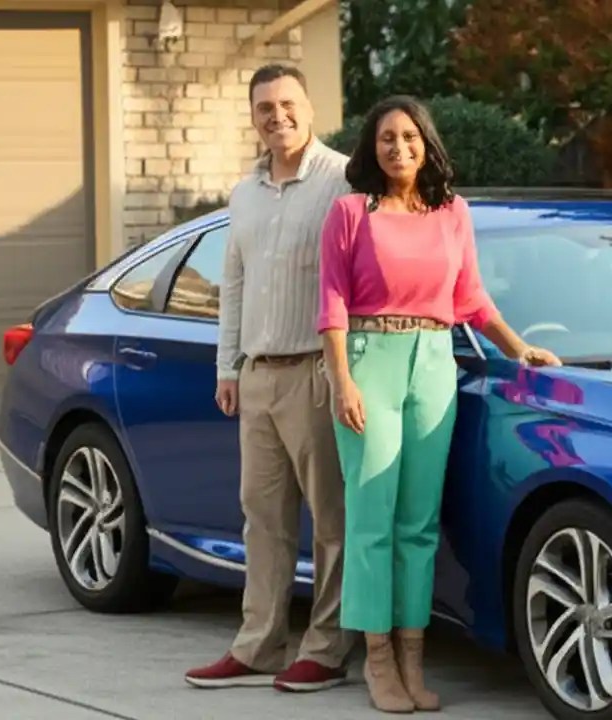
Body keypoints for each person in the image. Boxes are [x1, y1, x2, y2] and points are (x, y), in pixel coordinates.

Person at [317, 95, 561, 712]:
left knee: (419, 523)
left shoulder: (452, 212)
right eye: (386, 138)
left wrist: (517, 345)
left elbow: (471, 295)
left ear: (426, 143)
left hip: (433, 363)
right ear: (371, 149)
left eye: (409, 137)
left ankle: (412, 659)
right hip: (370, 358)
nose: (399, 148)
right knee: (372, 517)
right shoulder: (350, 213)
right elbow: (332, 303)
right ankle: (377, 661)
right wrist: (341, 379)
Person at [185, 64, 354, 693]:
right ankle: (258, 644)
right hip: (257, 377)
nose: (276, 116)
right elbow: (235, 283)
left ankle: (329, 648)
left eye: (287, 104)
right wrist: (228, 366)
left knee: (330, 521)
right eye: (263, 108)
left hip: (317, 372)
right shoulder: (243, 193)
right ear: (252, 117)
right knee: (263, 520)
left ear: (309, 108)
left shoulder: (342, 182)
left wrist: (344, 375)